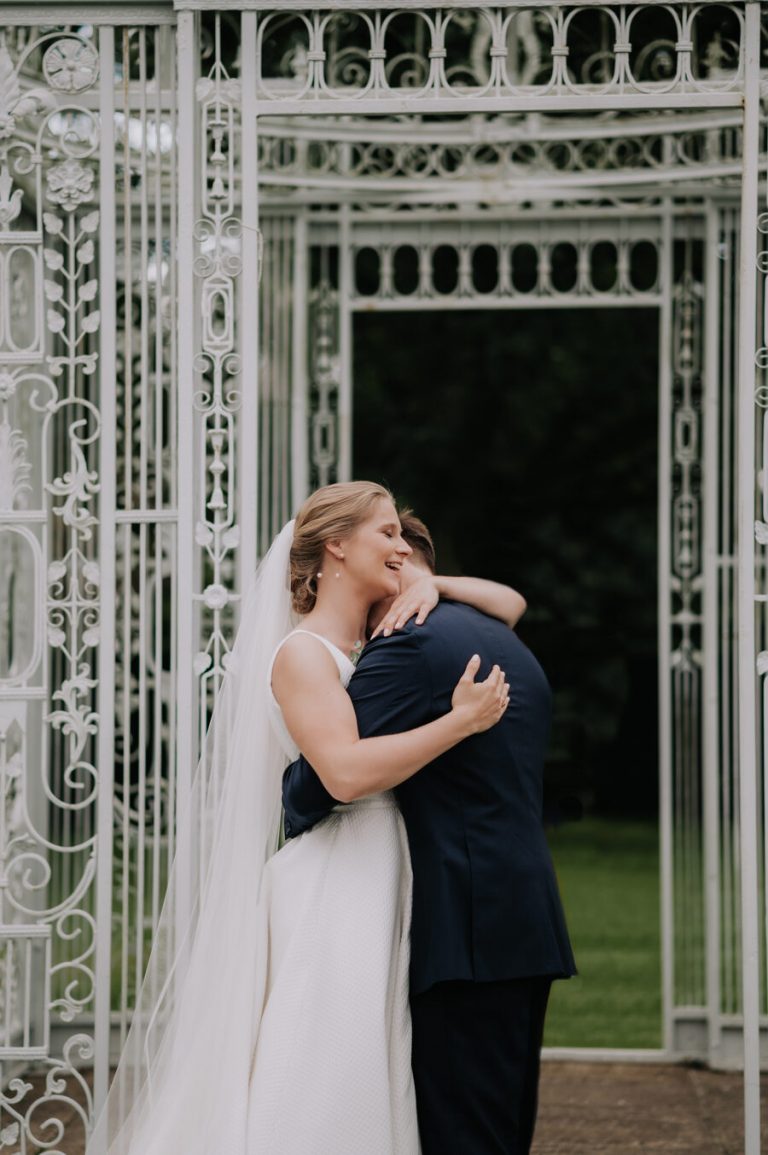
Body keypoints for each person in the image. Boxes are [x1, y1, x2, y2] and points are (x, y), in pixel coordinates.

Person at [89, 481, 512, 1155]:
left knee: (376, 1057)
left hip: (388, 865)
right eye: (386, 532)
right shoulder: (302, 655)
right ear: (336, 547)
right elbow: (341, 774)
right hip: (336, 882)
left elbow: (511, 605)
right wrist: (458, 723)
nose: (402, 546)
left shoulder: (386, 631)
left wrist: (436, 585)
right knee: (329, 1066)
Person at [283, 511, 576, 1155]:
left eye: (392, 548)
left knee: (462, 1129)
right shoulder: (496, 632)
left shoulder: (409, 642)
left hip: (464, 922)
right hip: (524, 912)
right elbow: (513, 599)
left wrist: (283, 795)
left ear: (400, 565)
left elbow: (327, 780)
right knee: (501, 1121)